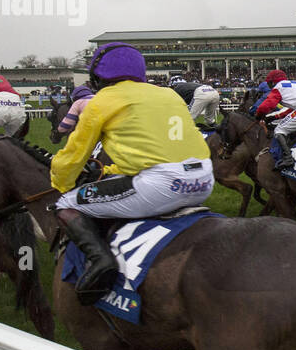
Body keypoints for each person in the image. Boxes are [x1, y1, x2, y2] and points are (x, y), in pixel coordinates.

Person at [51, 43, 214, 304]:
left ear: (97, 76)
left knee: (66, 204)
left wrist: (61, 183)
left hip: (161, 185)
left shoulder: (101, 101)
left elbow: (72, 158)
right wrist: (111, 171)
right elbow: (162, 148)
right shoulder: (169, 95)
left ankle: (101, 262)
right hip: (204, 179)